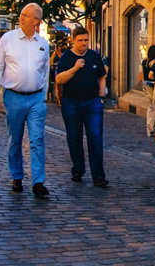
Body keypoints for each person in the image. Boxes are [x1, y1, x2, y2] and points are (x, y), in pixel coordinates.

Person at [0, 3, 52, 198]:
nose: (21, 17)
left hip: (36, 99)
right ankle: (16, 176)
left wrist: (44, 95)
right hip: (14, 97)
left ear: (36, 21)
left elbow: (46, 72)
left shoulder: (43, 43)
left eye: (25, 15)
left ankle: (38, 182)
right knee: (15, 140)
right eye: (22, 14)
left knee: (37, 140)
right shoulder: (8, 39)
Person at [54, 26, 108, 187]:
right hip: (71, 102)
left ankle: (98, 175)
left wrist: (102, 90)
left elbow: (102, 74)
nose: (84, 43)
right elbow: (59, 80)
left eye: (86, 40)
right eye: (80, 41)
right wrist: (75, 68)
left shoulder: (93, 56)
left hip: (92, 103)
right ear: (73, 41)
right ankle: (78, 170)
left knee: (95, 138)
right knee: (74, 138)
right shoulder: (67, 57)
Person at [140, 45, 155, 136]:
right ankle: (150, 125)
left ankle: (148, 127)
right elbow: (150, 75)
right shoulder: (154, 63)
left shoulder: (144, 62)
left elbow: (142, 74)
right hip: (153, 85)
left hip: (145, 84)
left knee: (150, 107)